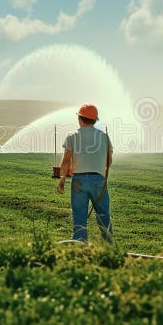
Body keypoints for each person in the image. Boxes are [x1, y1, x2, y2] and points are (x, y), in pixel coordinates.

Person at [56, 103, 113, 243]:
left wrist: (62, 178)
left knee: (79, 215)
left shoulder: (72, 135)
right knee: (103, 214)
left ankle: (80, 244)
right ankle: (109, 245)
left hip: (79, 181)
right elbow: (109, 161)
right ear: (94, 120)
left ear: (80, 119)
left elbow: (65, 161)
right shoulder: (104, 136)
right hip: (99, 180)